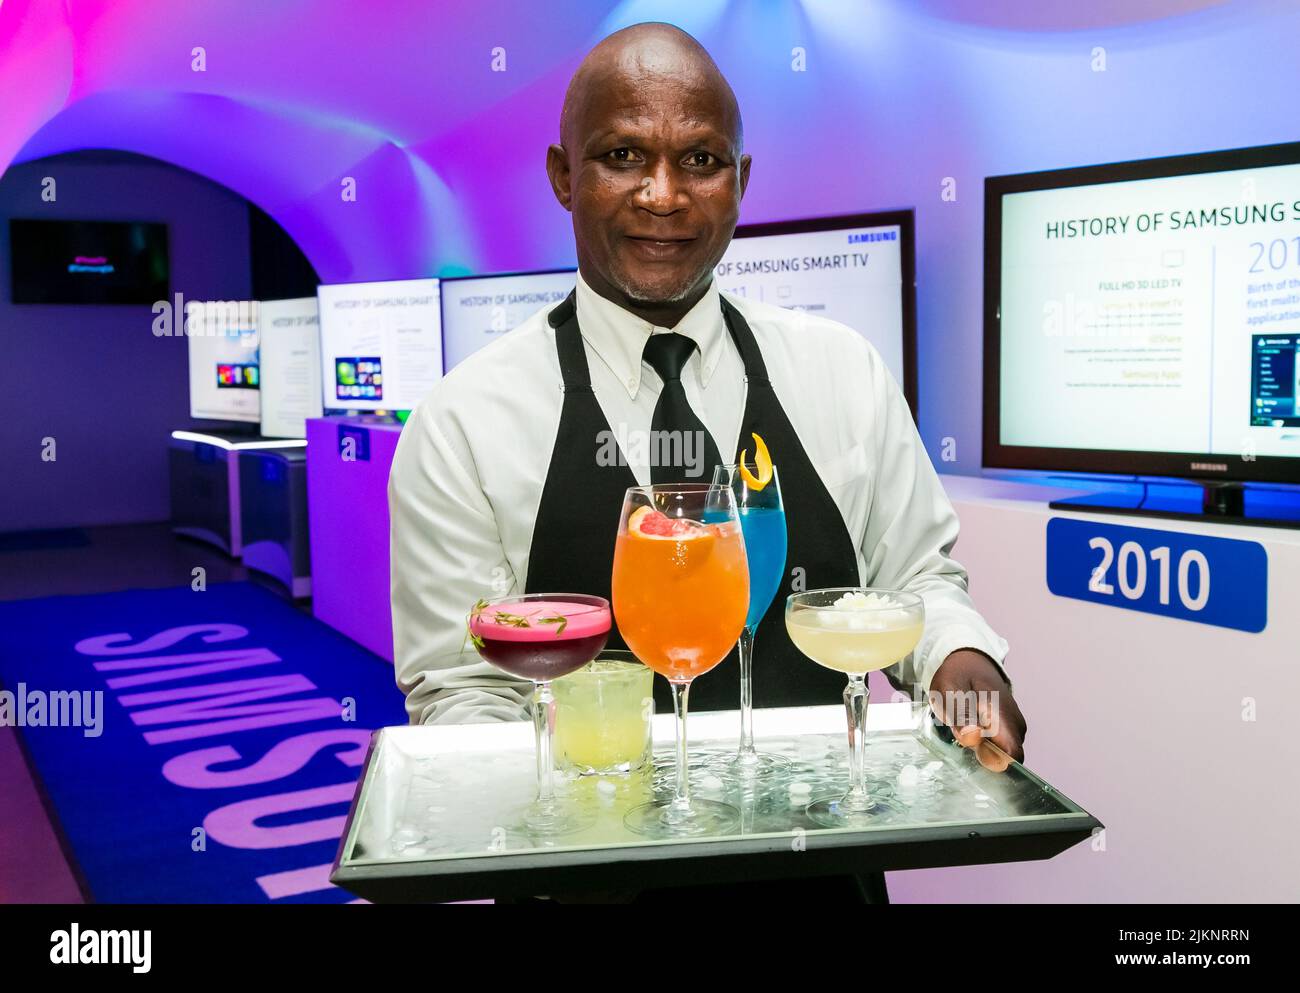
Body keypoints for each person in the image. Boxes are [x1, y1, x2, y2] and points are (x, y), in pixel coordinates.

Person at [389, 23, 1027, 868]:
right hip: (582, 878)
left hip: (817, 868)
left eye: (700, 160)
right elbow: (464, 686)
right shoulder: (466, 418)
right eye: (622, 155)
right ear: (562, 177)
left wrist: (962, 659)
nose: (664, 195)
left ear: (741, 182)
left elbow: (915, 581)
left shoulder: (842, 372)